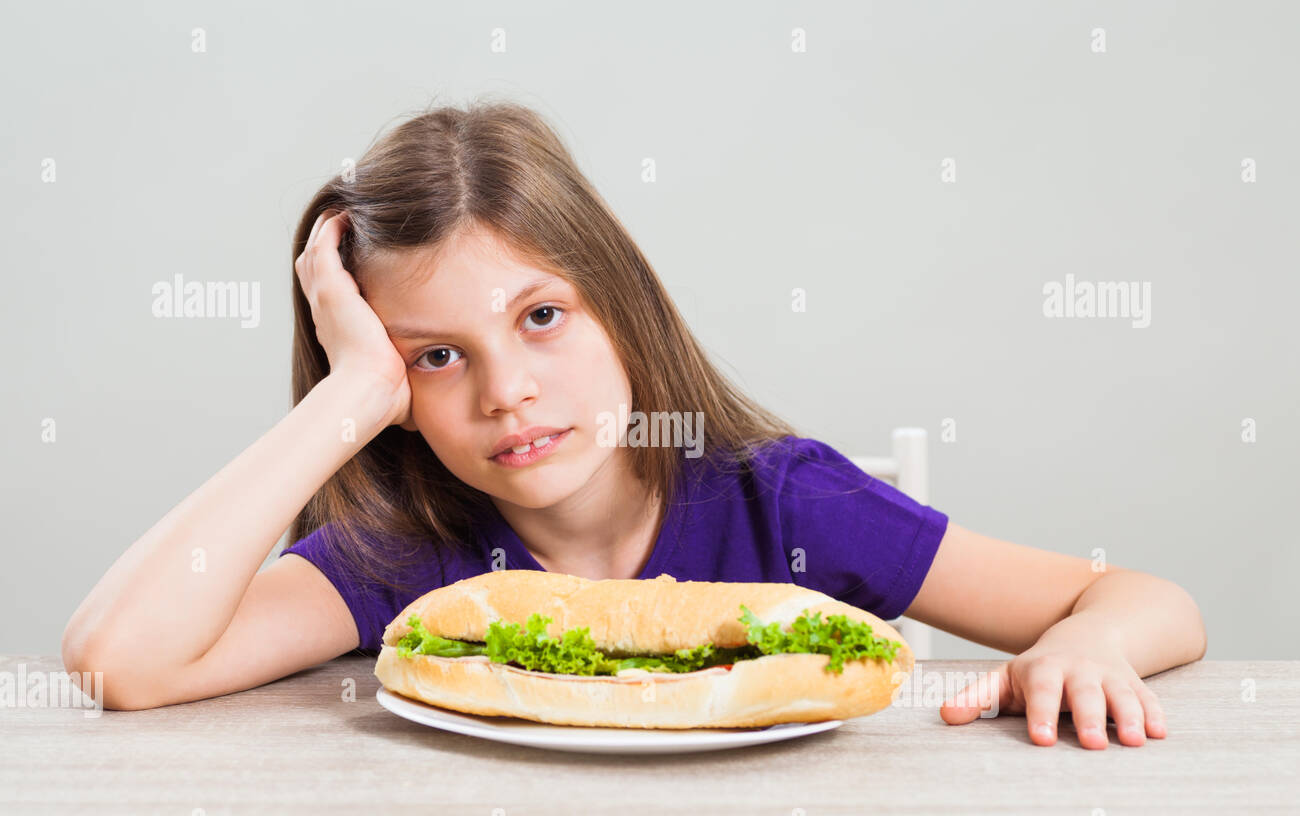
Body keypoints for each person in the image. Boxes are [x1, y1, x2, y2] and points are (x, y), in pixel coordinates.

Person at [62, 98, 1205, 747]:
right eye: (436, 357)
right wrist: (348, 400)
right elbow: (120, 661)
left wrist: (1088, 642)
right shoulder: (405, 559)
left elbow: (1147, 599)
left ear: (625, 305)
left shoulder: (780, 498)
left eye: (542, 315)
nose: (504, 388)